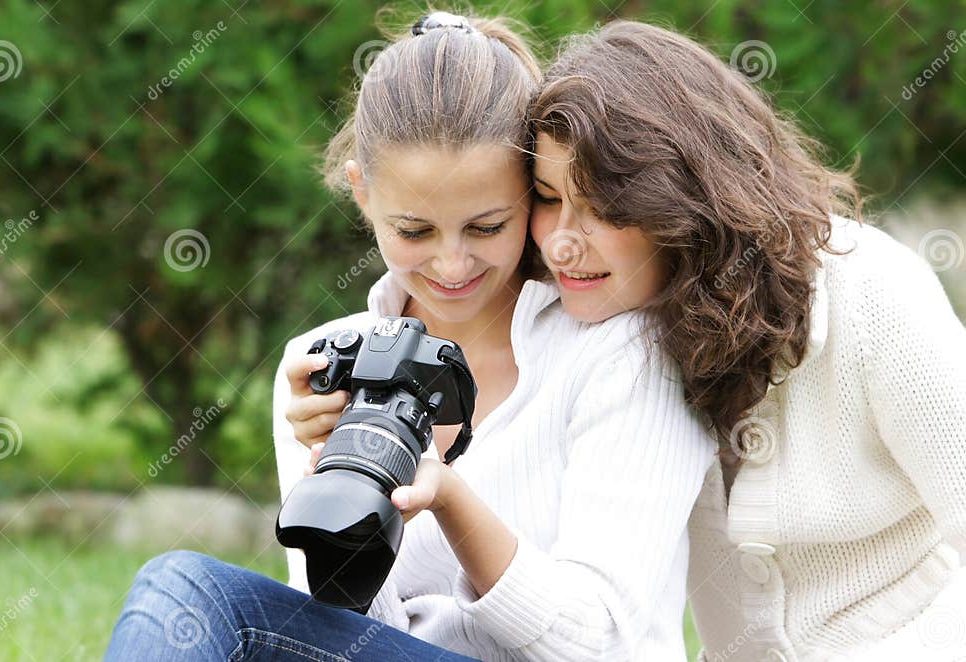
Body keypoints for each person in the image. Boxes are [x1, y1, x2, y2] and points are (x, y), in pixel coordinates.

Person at [105, 11, 715, 662]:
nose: (452, 266)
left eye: (486, 227)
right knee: (182, 590)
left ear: (531, 192)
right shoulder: (326, 366)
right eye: (415, 231)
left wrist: (449, 498)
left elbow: (602, 645)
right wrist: (339, 478)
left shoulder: (620, 351)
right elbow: (348, 632)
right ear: (364, 196)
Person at [527, 19, 966, 662]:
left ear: (687, 200)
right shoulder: (592, 329)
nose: (561, 241)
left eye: (602, 207)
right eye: (545, 197)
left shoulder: (872, 290)